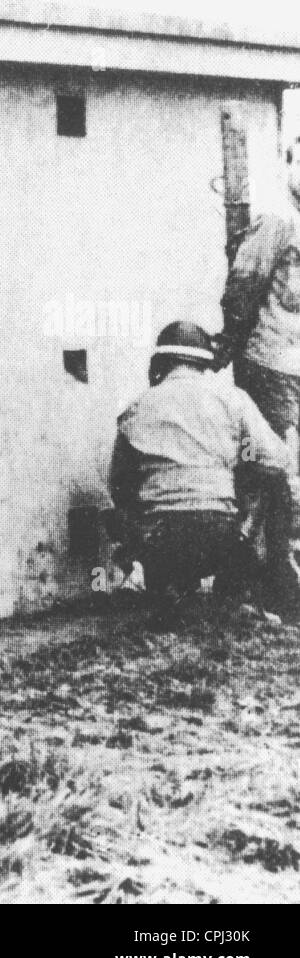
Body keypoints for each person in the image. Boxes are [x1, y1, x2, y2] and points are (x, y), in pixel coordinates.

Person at [110, 321, 293, 626]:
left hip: (158, 542)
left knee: (123, 508)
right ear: (204, 362)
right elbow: (276, 459)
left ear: (161, 363)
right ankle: (246, 589)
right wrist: (237, 468)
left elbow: (119, 486)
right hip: (221, 540)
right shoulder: (233, 399)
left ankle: (165, 585)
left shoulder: (136, 408)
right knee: (270, 480)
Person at [220, 136, 300, 615]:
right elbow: (244, 286)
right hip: (270, 366)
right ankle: (271, 580)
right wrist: (229, 340)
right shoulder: (277, 223)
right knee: (274, 471)